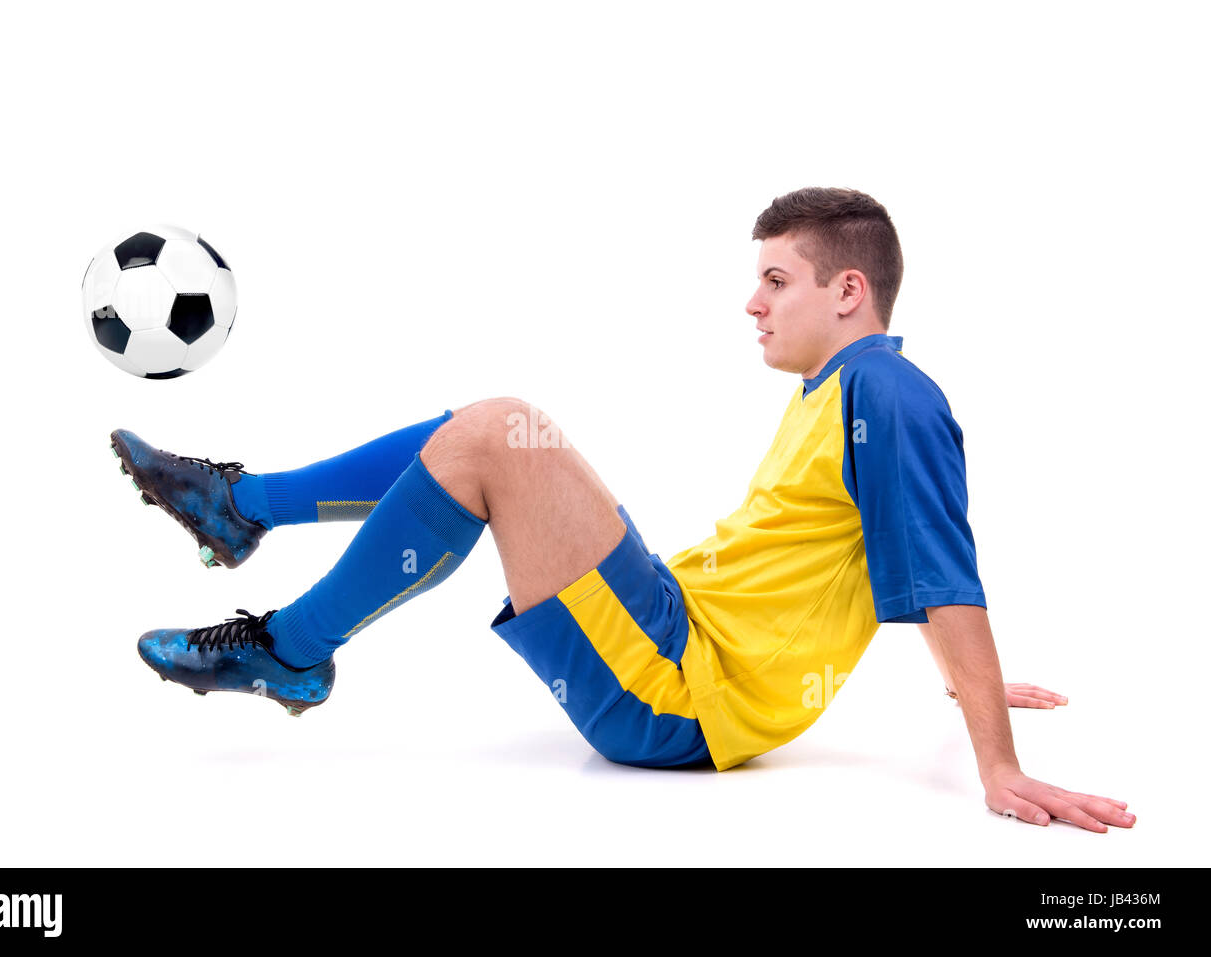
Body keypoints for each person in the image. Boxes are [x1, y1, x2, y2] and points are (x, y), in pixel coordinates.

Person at [113, 186, 1133, 831]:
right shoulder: (838, 394)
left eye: (776, 279)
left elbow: (939, 572)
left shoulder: (889, 395)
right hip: (674, 634)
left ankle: (287, 634)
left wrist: (998, 763)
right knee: (483, 429)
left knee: (499, 430)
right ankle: (242, 513)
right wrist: (967, 684)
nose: (753, 302)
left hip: (679, 694)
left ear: (849, 292)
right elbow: (884, 555)